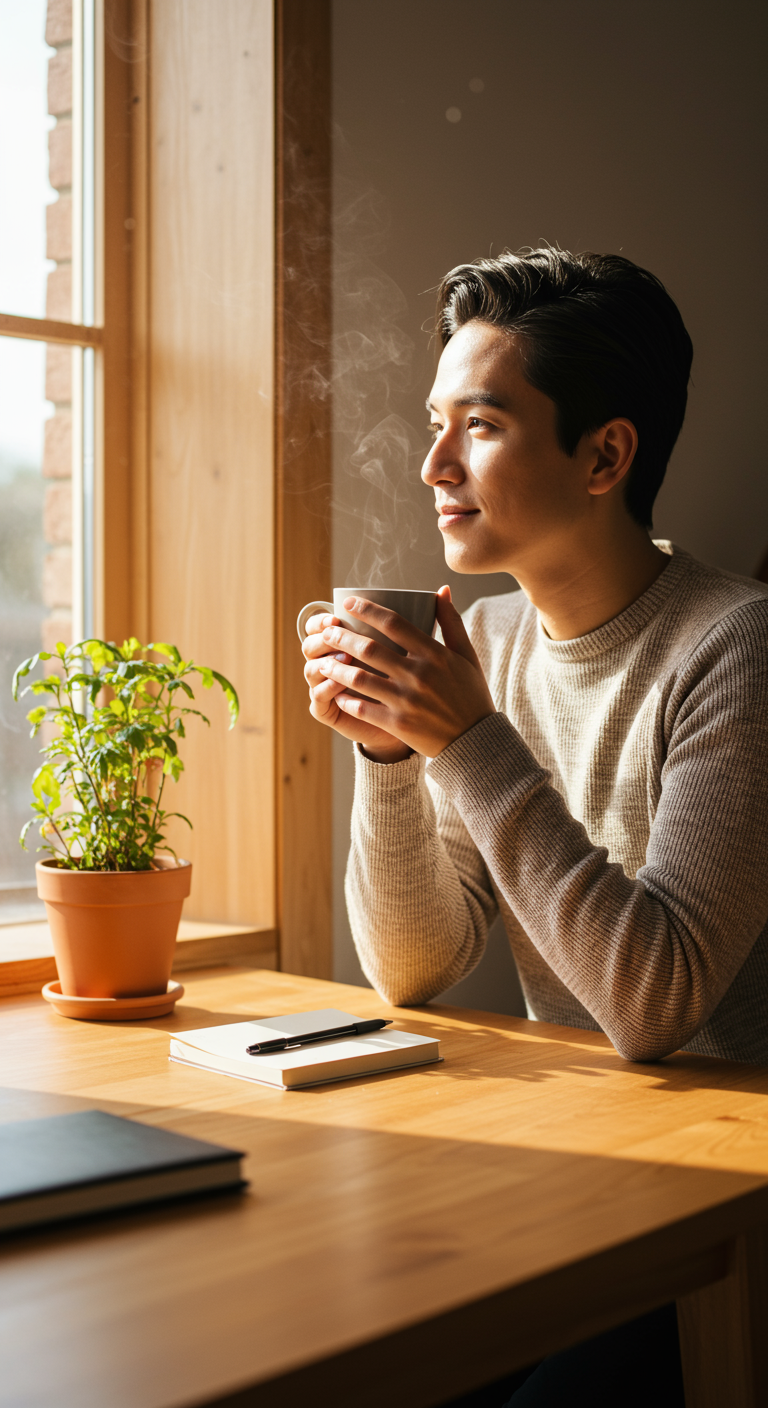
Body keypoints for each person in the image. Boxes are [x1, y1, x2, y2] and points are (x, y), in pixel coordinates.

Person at [302, 247, 768, 1403]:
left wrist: (467, 741)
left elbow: (657, 1003)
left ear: (606, 453)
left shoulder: (738, 648)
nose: (432, 464)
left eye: (482, 425)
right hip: (587, 1159)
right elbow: (413, 969)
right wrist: (389, 753)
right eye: (433, 422)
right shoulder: (491, 644)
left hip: (729, 1192)